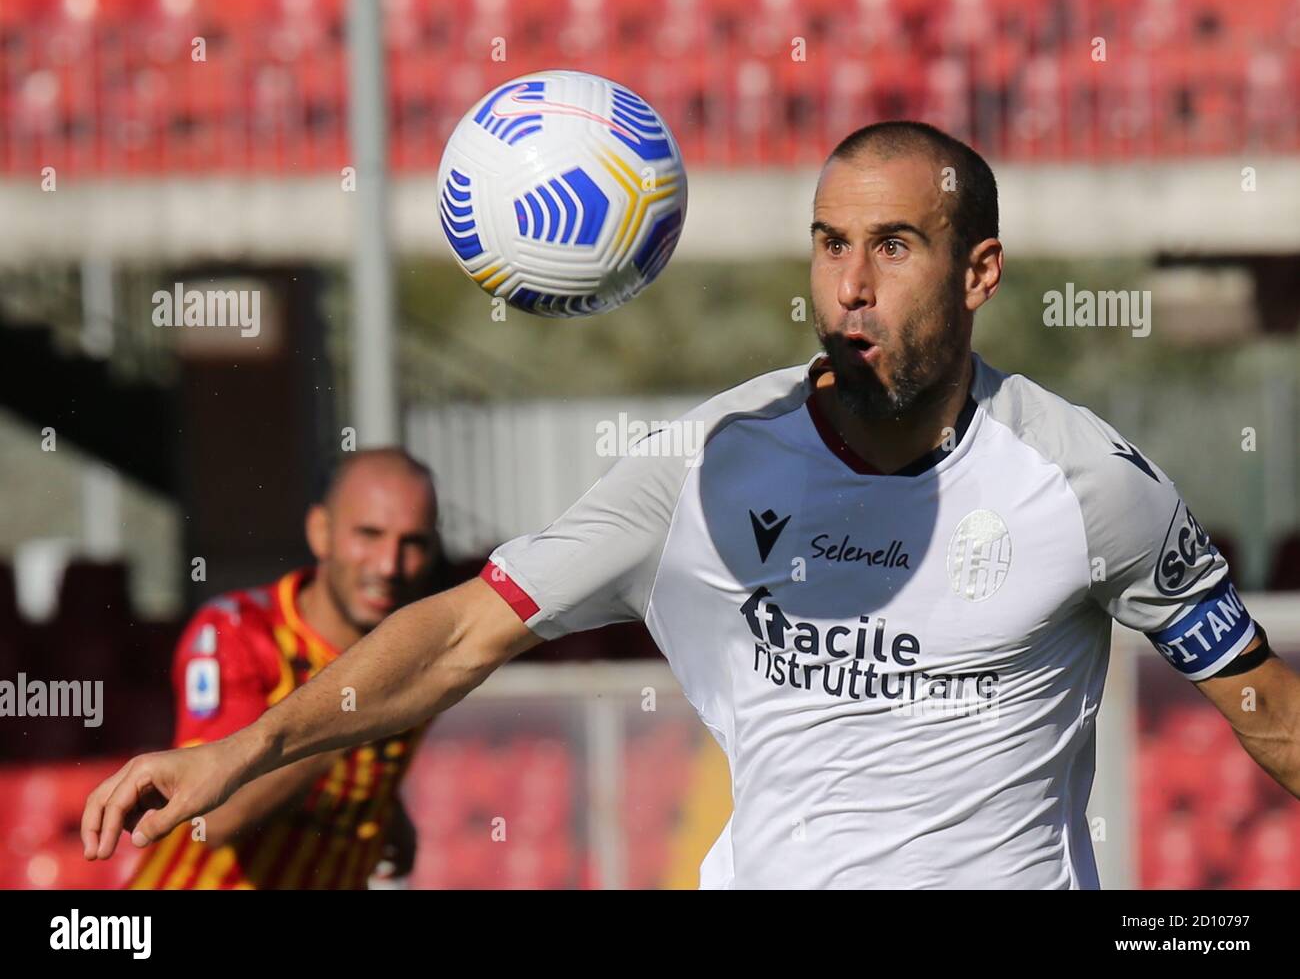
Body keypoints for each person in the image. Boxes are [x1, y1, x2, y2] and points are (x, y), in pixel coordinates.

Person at [84, 121, 1300, 889]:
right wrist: (237, 751)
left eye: (894, 246)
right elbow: (465, 629)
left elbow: (1267, 710)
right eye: (829, 246)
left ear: (977, 270)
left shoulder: (1088, 483)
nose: (851, 287)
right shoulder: (705, 467)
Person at [124, 447, 440, 889]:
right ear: (320, 532)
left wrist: (389, 816)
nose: (389, 565)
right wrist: (350, 715)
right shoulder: (236, 631)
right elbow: (212, 818)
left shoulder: (417, 650)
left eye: (413, 542)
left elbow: (358, 770)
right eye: (369, 534)